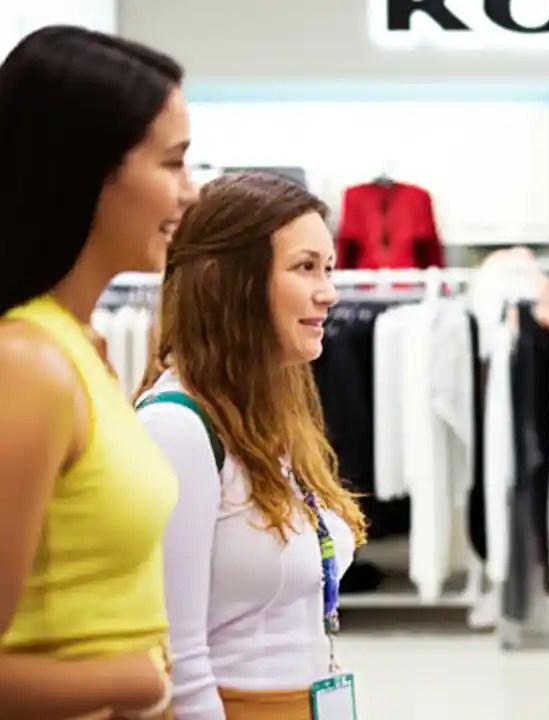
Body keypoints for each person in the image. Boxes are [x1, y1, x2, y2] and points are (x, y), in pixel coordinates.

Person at [0, 25, 197, 720]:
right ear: (89, 169)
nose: (191, 193)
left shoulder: (82, 348)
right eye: (173, 164)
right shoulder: (28, 365)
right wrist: (138, 681)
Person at [134, 172, 368, 718]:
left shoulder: (271, 420)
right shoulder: (178, 429)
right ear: (227, 280)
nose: (328, 291)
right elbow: (178, 656)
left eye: (328, 268)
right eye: (305, 267)